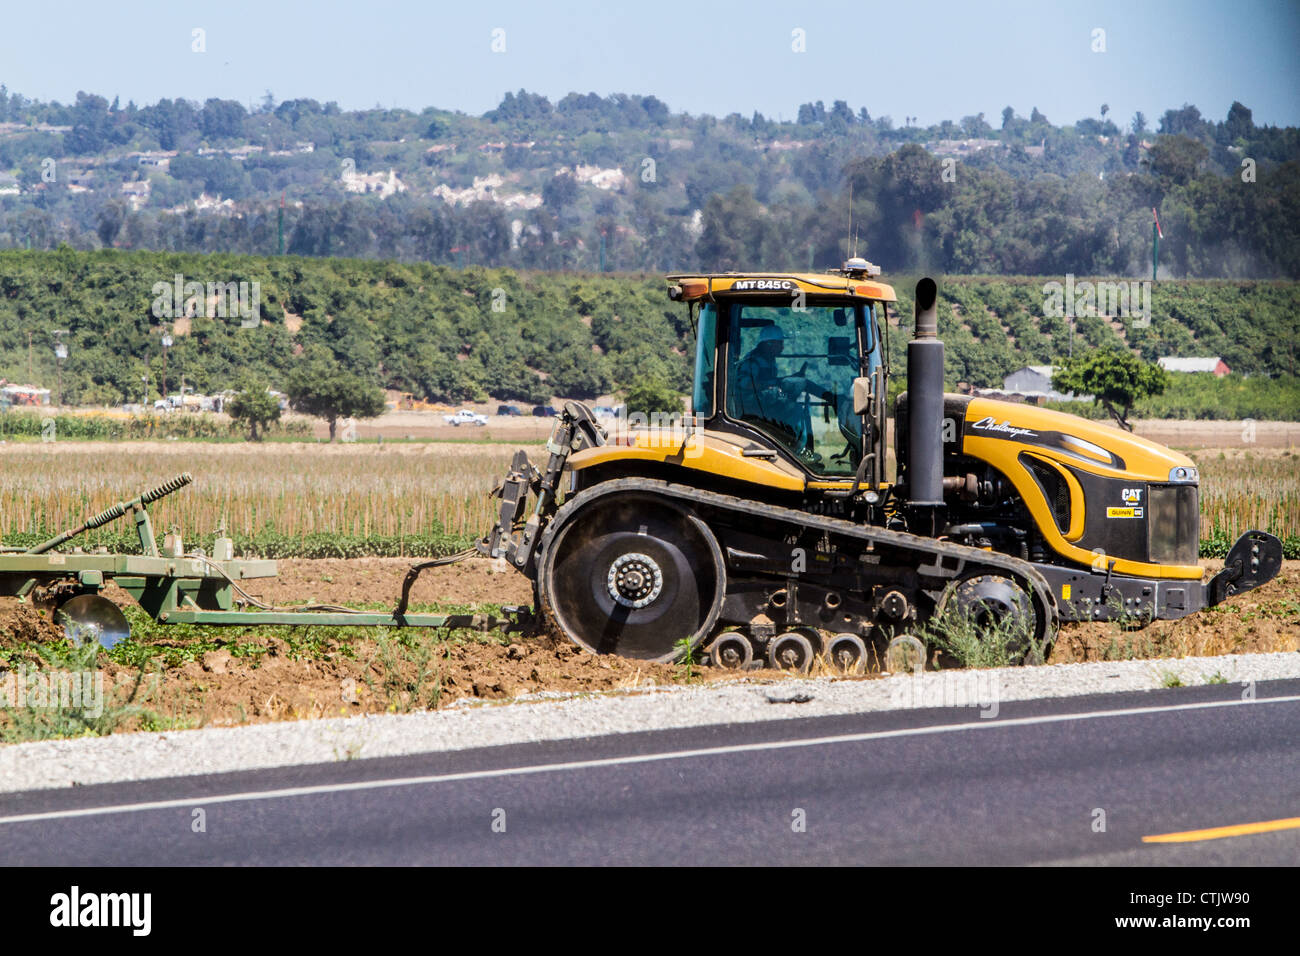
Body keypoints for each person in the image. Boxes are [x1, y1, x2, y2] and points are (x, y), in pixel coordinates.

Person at [732, 324, 828, 462]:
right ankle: (799, 451)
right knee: (795, 409)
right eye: (780, 343)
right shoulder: (753, 361)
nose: (782, 347)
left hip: (762, 402)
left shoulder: (768, 360)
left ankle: (792, 444)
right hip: (752, 404)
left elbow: (771, 381)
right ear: (769, 343)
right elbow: (745, 383)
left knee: (798, 400)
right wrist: (775, 384)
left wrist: (785, 379)